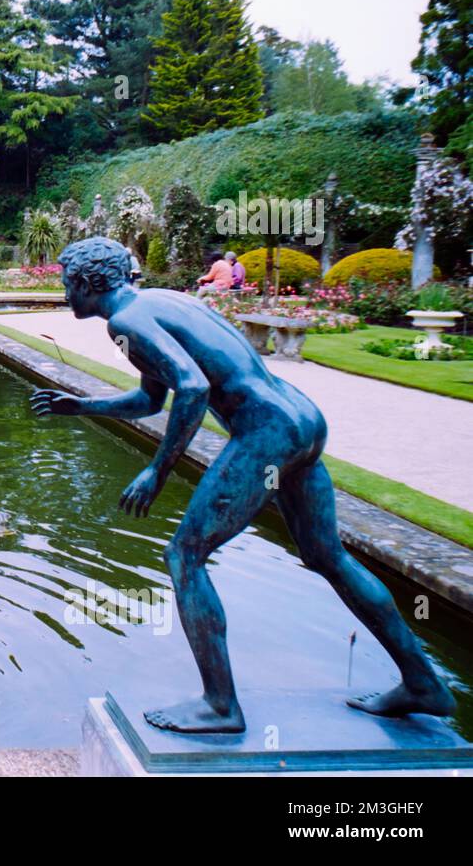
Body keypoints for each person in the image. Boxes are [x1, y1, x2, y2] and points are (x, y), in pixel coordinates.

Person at [31, 238, 453, 733]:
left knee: (184, 556)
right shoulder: (159, 301)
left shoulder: (125, 323)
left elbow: (192, 387)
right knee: (327, 556)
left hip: (266, 433)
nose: (64, 294)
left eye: (66, 284)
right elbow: (152, 399)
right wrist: (82, 406)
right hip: (302, 420)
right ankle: (422, 681)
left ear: (87, 282)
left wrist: (158, 470)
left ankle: (220, 705)